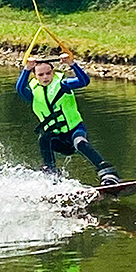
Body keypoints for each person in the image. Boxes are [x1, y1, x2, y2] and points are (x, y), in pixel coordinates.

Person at [15, 52, 120, 185]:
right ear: (35, 76)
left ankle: (108, 173)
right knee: (43, 138)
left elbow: (84, 81)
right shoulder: (33, 93)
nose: (45, 77)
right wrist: (26, 69)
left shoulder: (63, 85)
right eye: (41, 75)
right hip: (57, 138)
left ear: (53, 73)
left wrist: (71, 63)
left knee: (80, 142)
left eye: (48, 73)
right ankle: (51, 175)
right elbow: (20, 89)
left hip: (74, 130)